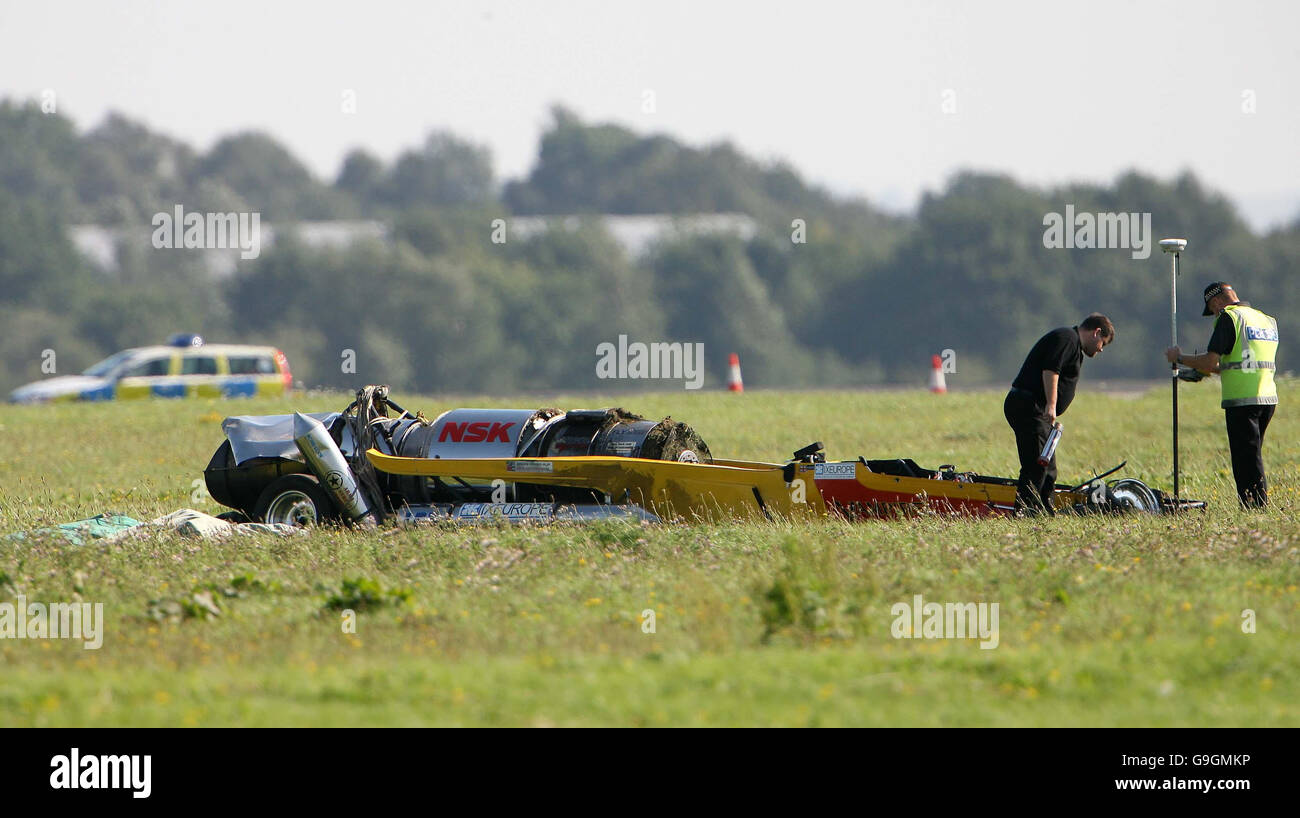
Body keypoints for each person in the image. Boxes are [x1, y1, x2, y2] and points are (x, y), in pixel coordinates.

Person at [1165, 282, 1279, 508]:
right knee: (1252, 454)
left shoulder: (1229, 318)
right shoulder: (1264, 319)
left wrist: (1179, 357)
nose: (1214, 314)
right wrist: (1201, 373)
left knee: (1245, 458)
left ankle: (1255, 507)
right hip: (1267, 397)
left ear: (1216, 301)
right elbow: (1239, 363)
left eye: (1212, 309)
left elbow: (1211, 360)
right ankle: (1255, 505)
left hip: (1242, 399)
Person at [1004, 314, 1115, 514]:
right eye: (1102, 343)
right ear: (1096, 332)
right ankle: (1023, 511)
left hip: (1037, 410)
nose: (1100, 349)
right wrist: (1051, 404)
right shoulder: (1067, 339)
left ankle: (1045, 511)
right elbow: (1050, 370)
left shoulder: (1073, 346)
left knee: (1048, 467)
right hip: (1028, 405)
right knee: (1036, 465)